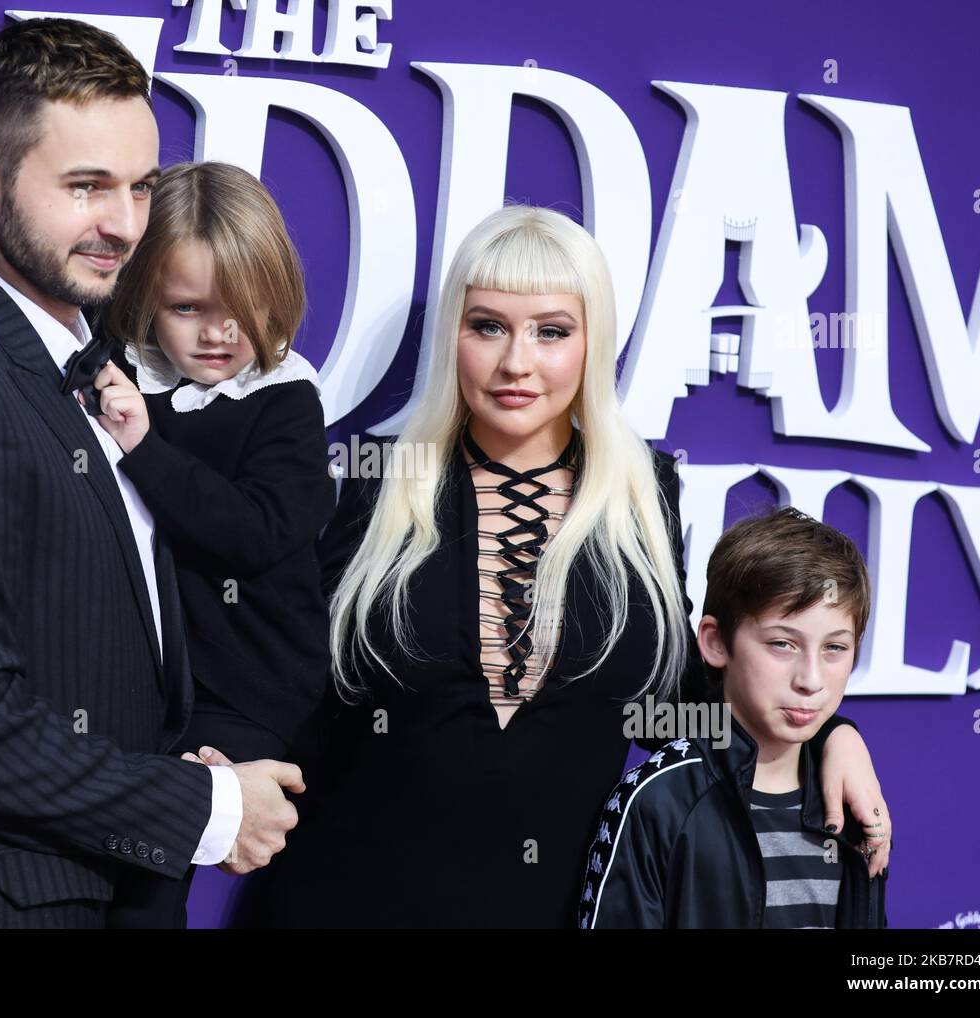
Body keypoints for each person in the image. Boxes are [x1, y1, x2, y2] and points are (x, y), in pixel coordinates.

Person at [233, 204, 893, 928]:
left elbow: (667, 703)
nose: (517, 362)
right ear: (454, 334)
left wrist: (829, 735)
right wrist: (230, 769)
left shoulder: (642, 489)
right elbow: (300, 680)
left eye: (552, 331)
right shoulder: (388, 478)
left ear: (591, 343)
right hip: (347, 900)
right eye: (488, 326)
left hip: (550, 909)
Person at [0, 18, 301, 929]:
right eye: (87, 186)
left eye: (141, 186)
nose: (125, 224)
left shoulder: (91, 363)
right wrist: (207, 811)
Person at [0, 161, 337, 927]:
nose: (219, 332)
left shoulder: (284, 400)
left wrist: (145, 446)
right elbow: (29, 344)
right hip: (139, 670)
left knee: (151, 880)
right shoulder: (118, 364)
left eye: (244, 308)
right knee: (90, 849)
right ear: (143, 298)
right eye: (188, 307)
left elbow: (257, 533)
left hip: (243, 685)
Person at [579, 507, 888, 928]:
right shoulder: (658, 800)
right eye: (782, 644)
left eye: (834, 648)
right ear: (715, 642)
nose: (811, 680)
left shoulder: (853, 799)